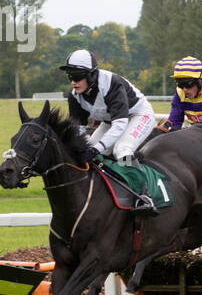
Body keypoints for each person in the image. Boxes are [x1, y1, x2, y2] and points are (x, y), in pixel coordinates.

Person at [60, 49, 158, 212]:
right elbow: (78, 128)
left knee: (122, 149)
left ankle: (144, 195)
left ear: (91, 75)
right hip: (111, 120)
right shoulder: (74, 96)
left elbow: (120, 125)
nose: (73, 82)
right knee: (89, 149)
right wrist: (77, 148)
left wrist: (95, 149)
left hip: (139, 115)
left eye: (77, 77)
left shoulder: (111, 83)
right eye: (70, 76)